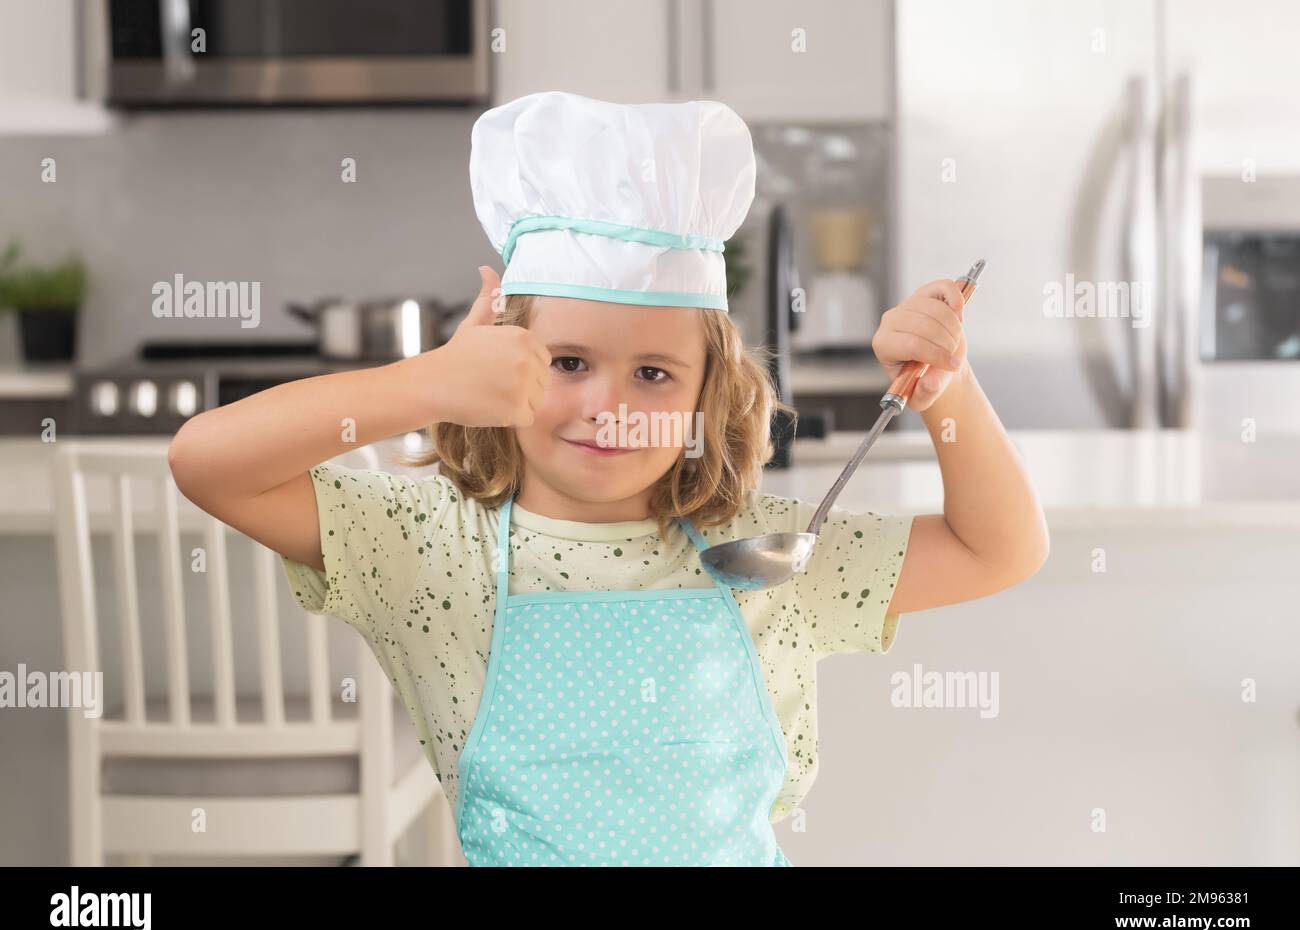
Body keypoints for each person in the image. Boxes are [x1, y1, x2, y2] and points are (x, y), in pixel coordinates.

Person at [169, 91, 1049, 867]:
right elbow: (206, 463)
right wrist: (424, 383)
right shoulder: (430, 547)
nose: (606, 404)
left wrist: (947, 391)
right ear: (500, 361)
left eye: (654, 374)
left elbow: (999, 548)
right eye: (569, 361)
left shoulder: (767, 550)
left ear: (712, 391)